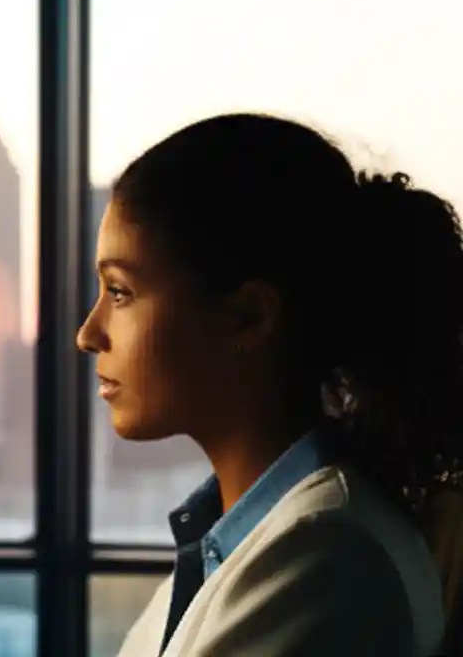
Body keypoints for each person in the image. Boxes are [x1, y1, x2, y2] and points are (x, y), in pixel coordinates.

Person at [76, 113, 463, 656]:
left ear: (248, 319)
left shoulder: (325, 558)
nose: (89, 334)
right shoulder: (240, 547)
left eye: (120, 293)